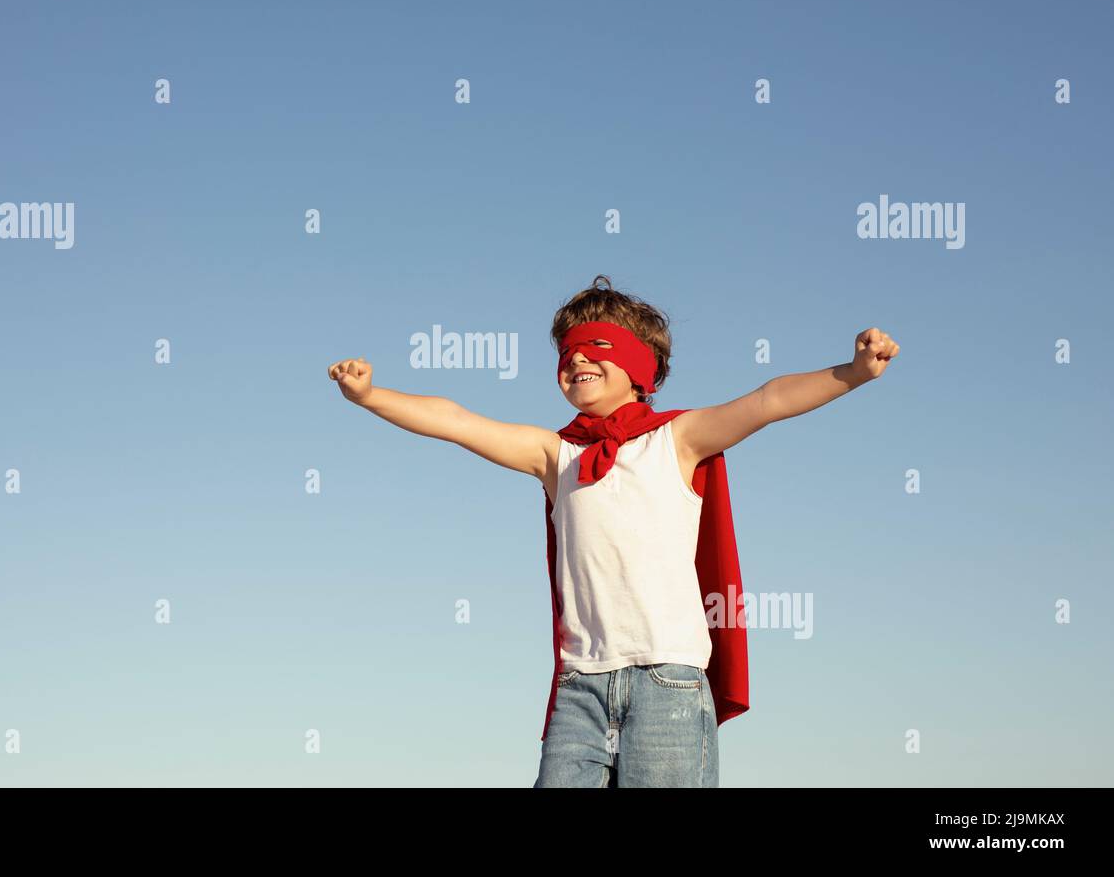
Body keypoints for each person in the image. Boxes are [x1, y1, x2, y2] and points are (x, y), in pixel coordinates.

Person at [327, 275, 900, 786]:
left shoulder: (677, 439)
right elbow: (457, 421)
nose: (575, 360)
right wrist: (370, 396)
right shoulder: (555, 455)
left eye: (595, 347)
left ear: (640, 366)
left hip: (666, 685)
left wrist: (853, 372)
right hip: (581, 689)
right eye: (567, 352)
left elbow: (768, 400)